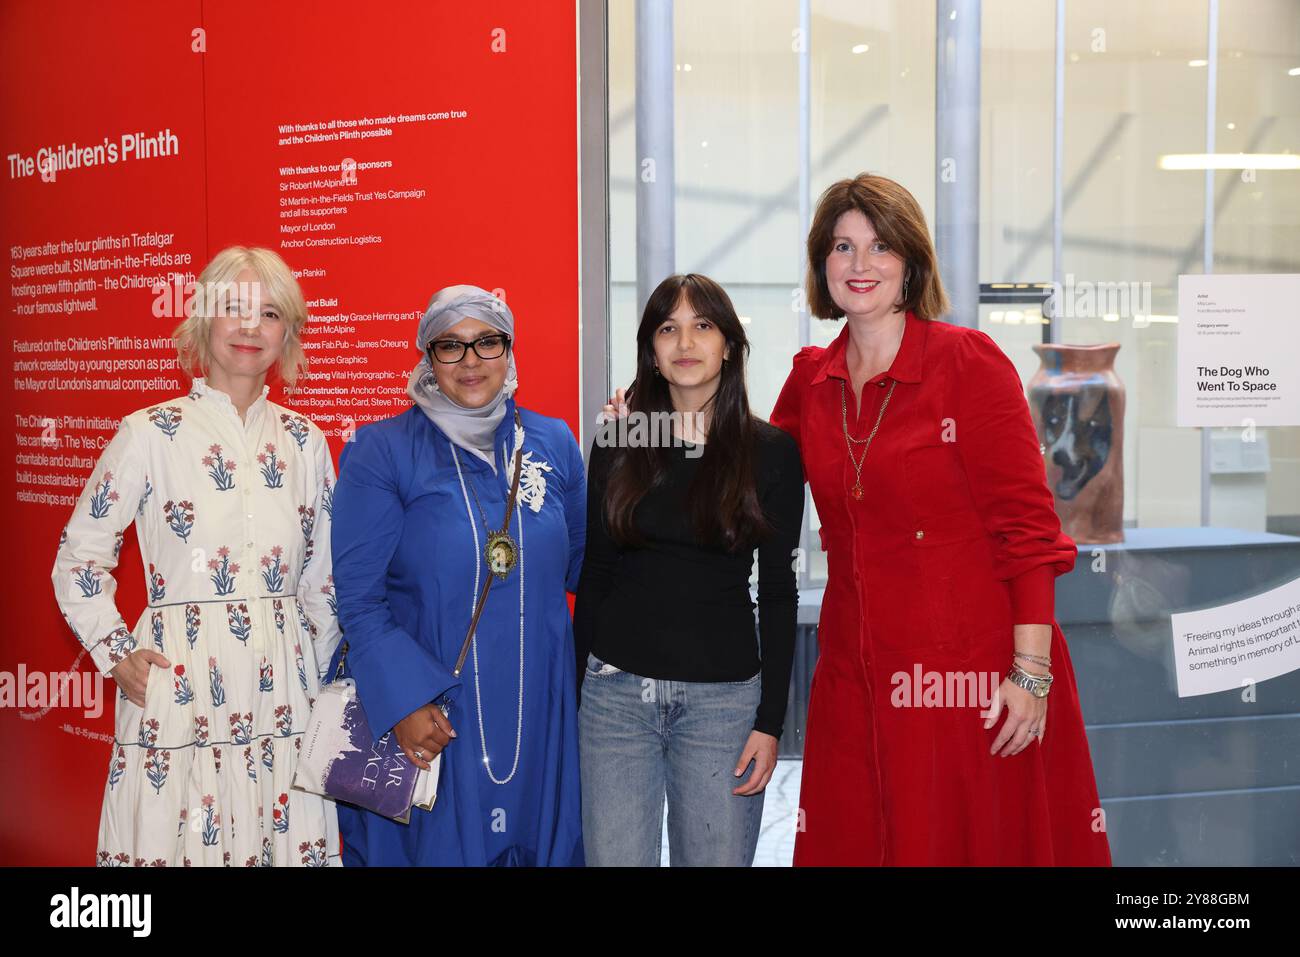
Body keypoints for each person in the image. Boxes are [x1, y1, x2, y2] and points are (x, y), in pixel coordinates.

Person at [768, 173, 1112, 865]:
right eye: (842, 246)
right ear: (821, 264)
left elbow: (1029, 533)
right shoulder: (810, 381)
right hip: (854, 680)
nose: (860, 265)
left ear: (911, 263)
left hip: (970, 679)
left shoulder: (967, 364)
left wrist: (1030, 674)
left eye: (879, 246)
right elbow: (744, 479)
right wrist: (659, 423)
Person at [52, 246, 341, 866]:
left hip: (281, 699)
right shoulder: (147, 433)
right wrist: (115, 653)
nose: (249, 327)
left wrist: (309, 676)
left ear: (287, 332)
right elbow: (78, 559)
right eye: (232, 308)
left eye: (269, 313)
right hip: (179, 692)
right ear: (201, 319)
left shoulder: (305, 443)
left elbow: (324, 582)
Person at [328, 285, 586, 866]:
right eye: (451, 346)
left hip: (538, 713)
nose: (471, 361)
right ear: (427, 358)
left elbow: (586, 568)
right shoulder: (383, 451)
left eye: (486, 342)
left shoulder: (554, 443)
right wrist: (403, 703)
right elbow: (360, 600)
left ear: (509, 351)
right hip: (437, 717)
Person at [576, 274, 804, 866]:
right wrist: (573, 696)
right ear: (651, 350)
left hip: (724, 707)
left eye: (703, 325)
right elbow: (596, 571)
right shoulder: (619, 440)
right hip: (614, 701)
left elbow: (779, 593)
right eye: (667, 328)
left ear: (729, 344)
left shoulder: (772, 453)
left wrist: (770, 721)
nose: (685, 341)